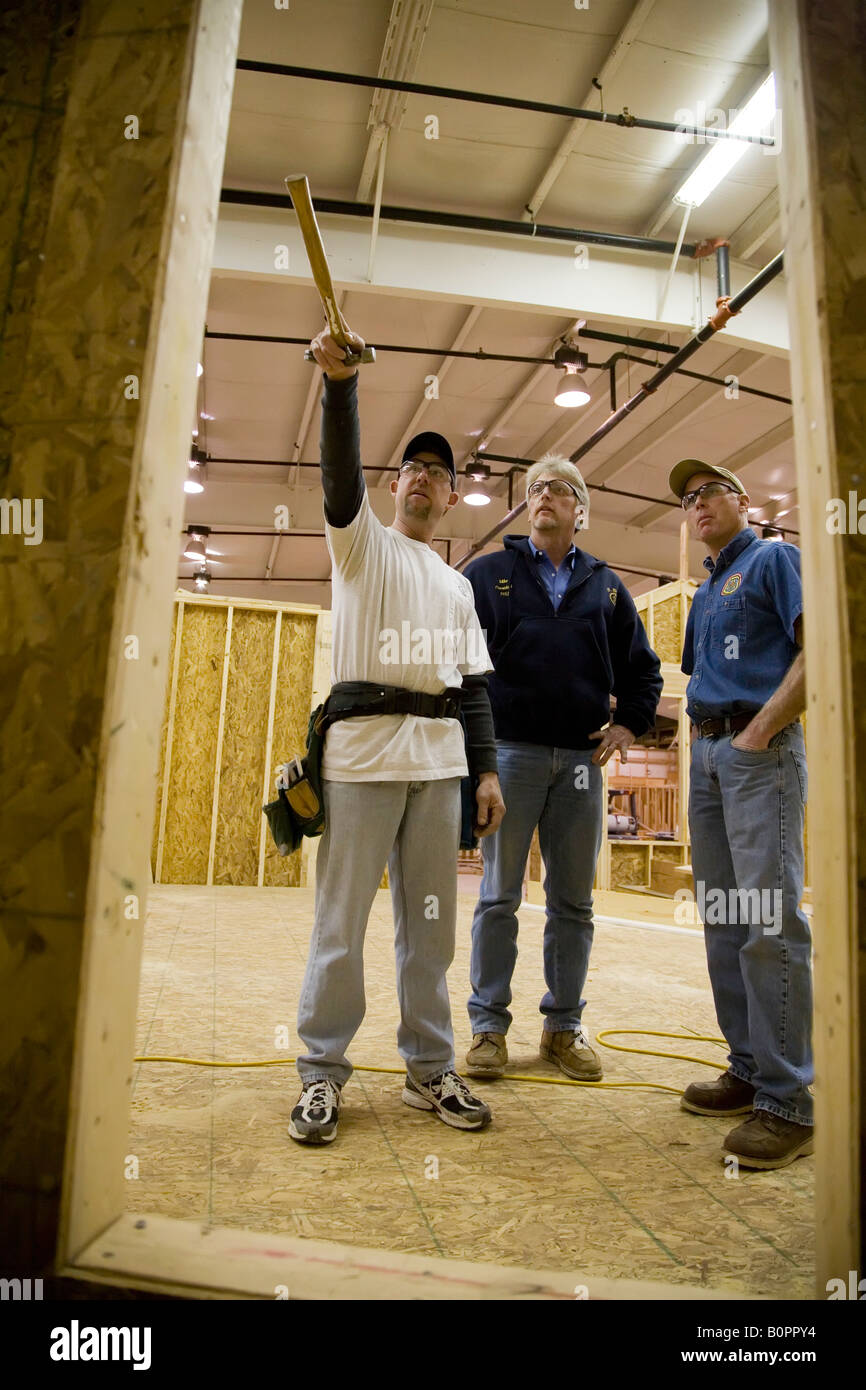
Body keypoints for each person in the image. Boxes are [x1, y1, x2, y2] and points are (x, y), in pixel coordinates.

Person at [289, 321, 506, 1146]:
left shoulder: (457, 588)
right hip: (360, 759)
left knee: (432, 930)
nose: (422, 480)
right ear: (396, 488)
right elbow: (339, 481)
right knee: (340, 924)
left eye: (438, 474)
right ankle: (320, 1073)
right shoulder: (361, 547)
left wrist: (484, 773)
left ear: (453, 498)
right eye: (412, 469)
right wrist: (340, 389)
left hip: (438, 765)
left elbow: (474, 686)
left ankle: (429, 1071)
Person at [461, 455, 662, 1081]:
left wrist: (630, 721)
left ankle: (563, 1028)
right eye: (534, 489)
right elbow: (463, 670)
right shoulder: (487, 575)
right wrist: (479, 760)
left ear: (581, 510)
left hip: (581, 762)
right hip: (510, 755)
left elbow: (644, 670)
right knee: (498, 896)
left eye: (558, 490)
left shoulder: (607, 587)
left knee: (572, 903)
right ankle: (488, 1027)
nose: (543, 496)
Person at [670, 458, 813, 1170]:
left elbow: (819, 648)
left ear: (744, 501)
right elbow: (702, 677)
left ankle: (790, 1102)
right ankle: (749, 1067)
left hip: (759, 754)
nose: (697, 504)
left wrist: (760, 730)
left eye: (709, 492)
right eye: (688, 499)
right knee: (725, 919)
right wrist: (700, 751)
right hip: (708, 759)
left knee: (769, 921)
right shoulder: (706, 593)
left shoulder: (774, 559)